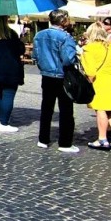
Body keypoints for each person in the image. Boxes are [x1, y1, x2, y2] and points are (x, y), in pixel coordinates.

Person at [32, 9, 79, 153]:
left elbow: (36, 56)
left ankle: (43, 139)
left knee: (46, 108)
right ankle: (65, 143)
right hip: (62, 75)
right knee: (66, 110)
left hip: (46, 75)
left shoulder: (39, 35)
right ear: (63, 21)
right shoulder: (65, 37)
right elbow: (67, 59)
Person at [81, 23, 111, 150]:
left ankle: (102, 138)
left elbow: (90, 72)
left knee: (100, 110)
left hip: (99, 82)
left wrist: (86, 85)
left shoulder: (88, 48)